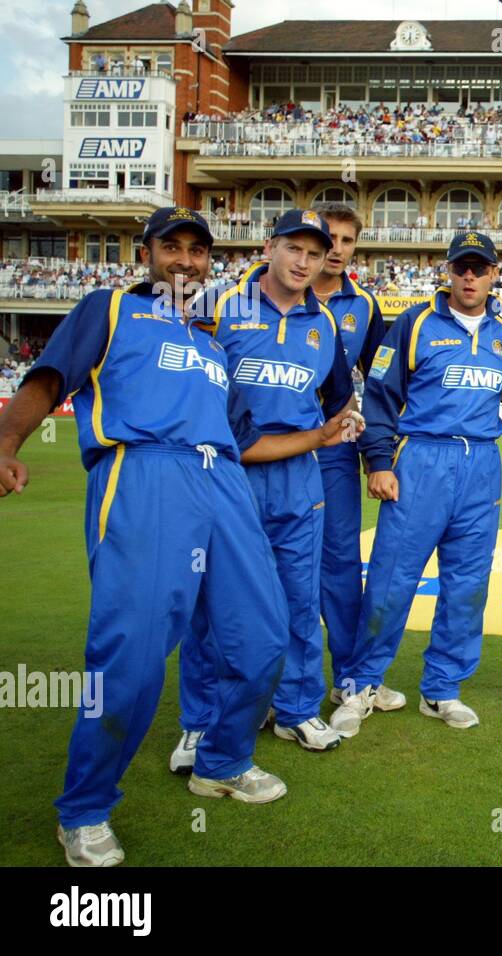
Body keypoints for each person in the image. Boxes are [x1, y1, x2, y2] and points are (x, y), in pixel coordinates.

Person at [0, 207, 341, 866]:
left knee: (266, 637)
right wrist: (8, 442)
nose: (185, 261)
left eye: (197, 251)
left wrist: (323, 437)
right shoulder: (108, 310)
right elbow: (47, 379)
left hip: (226, 483)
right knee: (131, 653)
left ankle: (222, 760)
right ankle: (85, 808)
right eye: (172, 247)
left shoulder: (213, 345)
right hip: (146, 474)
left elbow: (250, 442)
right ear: (147, 252)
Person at [179, 209, 359, 755]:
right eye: (294, 249)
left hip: (298, 479)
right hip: (228, 476)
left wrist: (338, 424)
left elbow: (337, 398)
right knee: (213, 604)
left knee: (299, 601)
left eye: (314, 252)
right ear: (269, 247)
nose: (304, 261)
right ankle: (204, 718)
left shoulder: (323, 322)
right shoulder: (217, 307)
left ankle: (296, 708)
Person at [329, 231, 502, 737]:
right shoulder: (416, 323)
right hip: (422, 461)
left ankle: (442, 688)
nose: (470, 277)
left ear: (495, 273)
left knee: (468, 586)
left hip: (482, 465)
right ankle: (361, 684)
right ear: (449, 271)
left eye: (480, 268)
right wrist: (380, 462)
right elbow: (381, 393)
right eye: (462, 267)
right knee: (392, 580)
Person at [306, 203, 397, 712]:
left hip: (337, 450)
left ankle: (350, 679)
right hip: (270, 454)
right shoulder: (263, 297)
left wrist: (378, 452)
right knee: (271, 567)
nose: (336, 250)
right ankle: (271, 685)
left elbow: (381, 382)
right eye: (328, 239)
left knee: (342, 567)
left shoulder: (362, 305)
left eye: (346, 241)